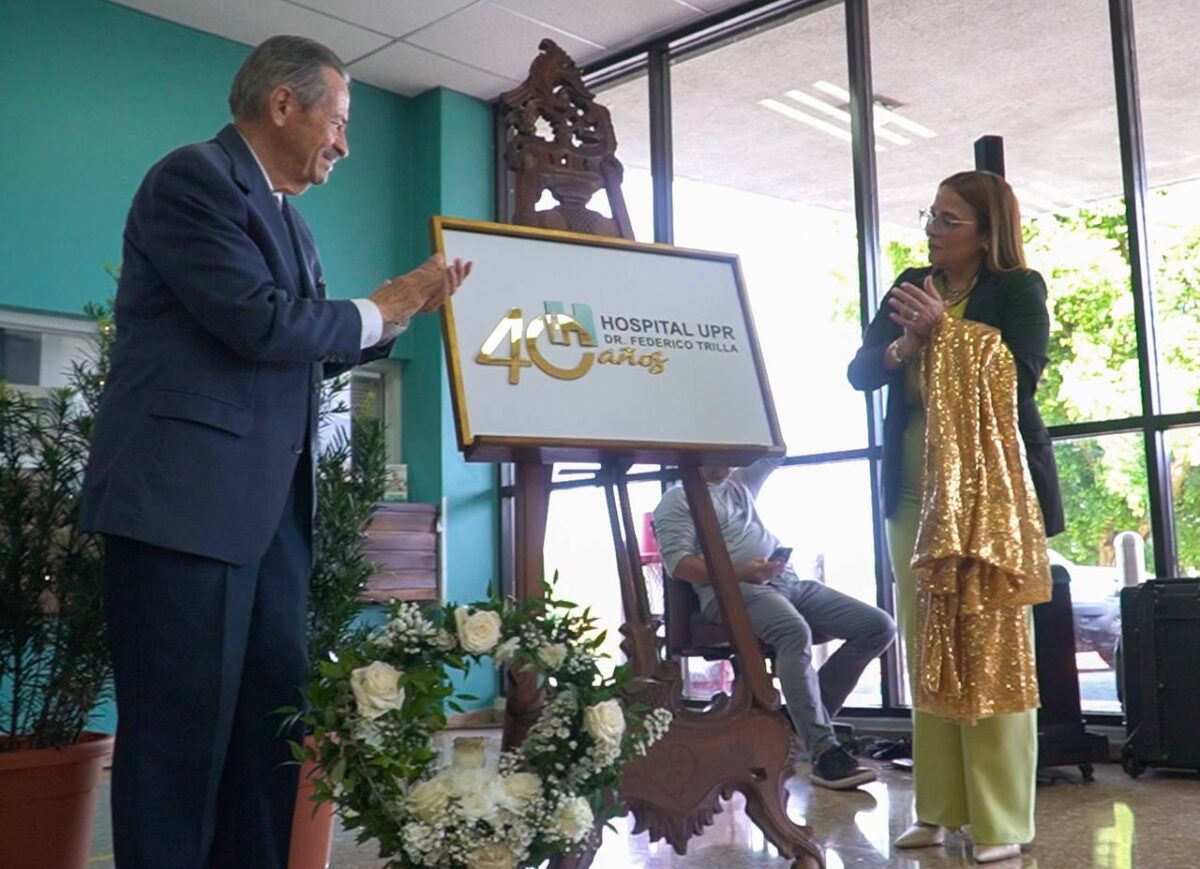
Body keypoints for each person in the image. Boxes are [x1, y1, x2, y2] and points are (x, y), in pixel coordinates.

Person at [80, 36, 471, 869]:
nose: (345, 143)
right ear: (283, 104)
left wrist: (399, 316)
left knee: (270, 740)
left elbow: (301, 343)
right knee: (177, 749)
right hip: (182, 514)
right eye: (339, 119)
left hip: (269, 523)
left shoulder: (292, 223)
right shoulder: (193, 180)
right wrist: (385, 301)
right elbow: (257, 321)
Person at [847, 170, 1063, 864]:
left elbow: (1020, 373)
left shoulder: (1017, 290)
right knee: (927, 645)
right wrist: (906, 344)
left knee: (992, 646)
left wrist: (949, 331)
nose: (932, 230)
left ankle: (1000, 816)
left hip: (988, 501)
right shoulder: (912, 281)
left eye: (948, 219)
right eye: (931, 215)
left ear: (985, 231)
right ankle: (938, 807)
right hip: (912, 498)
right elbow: (860, 371)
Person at [653, 457, 896, 790]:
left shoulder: (738, 481)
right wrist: (743, 573)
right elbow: (678, 565)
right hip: (734, 592)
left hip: (786, 583)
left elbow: (775, 450)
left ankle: (798, 727)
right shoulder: (677, 499)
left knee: (878, 626)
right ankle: (824, 751)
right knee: (793, 631)